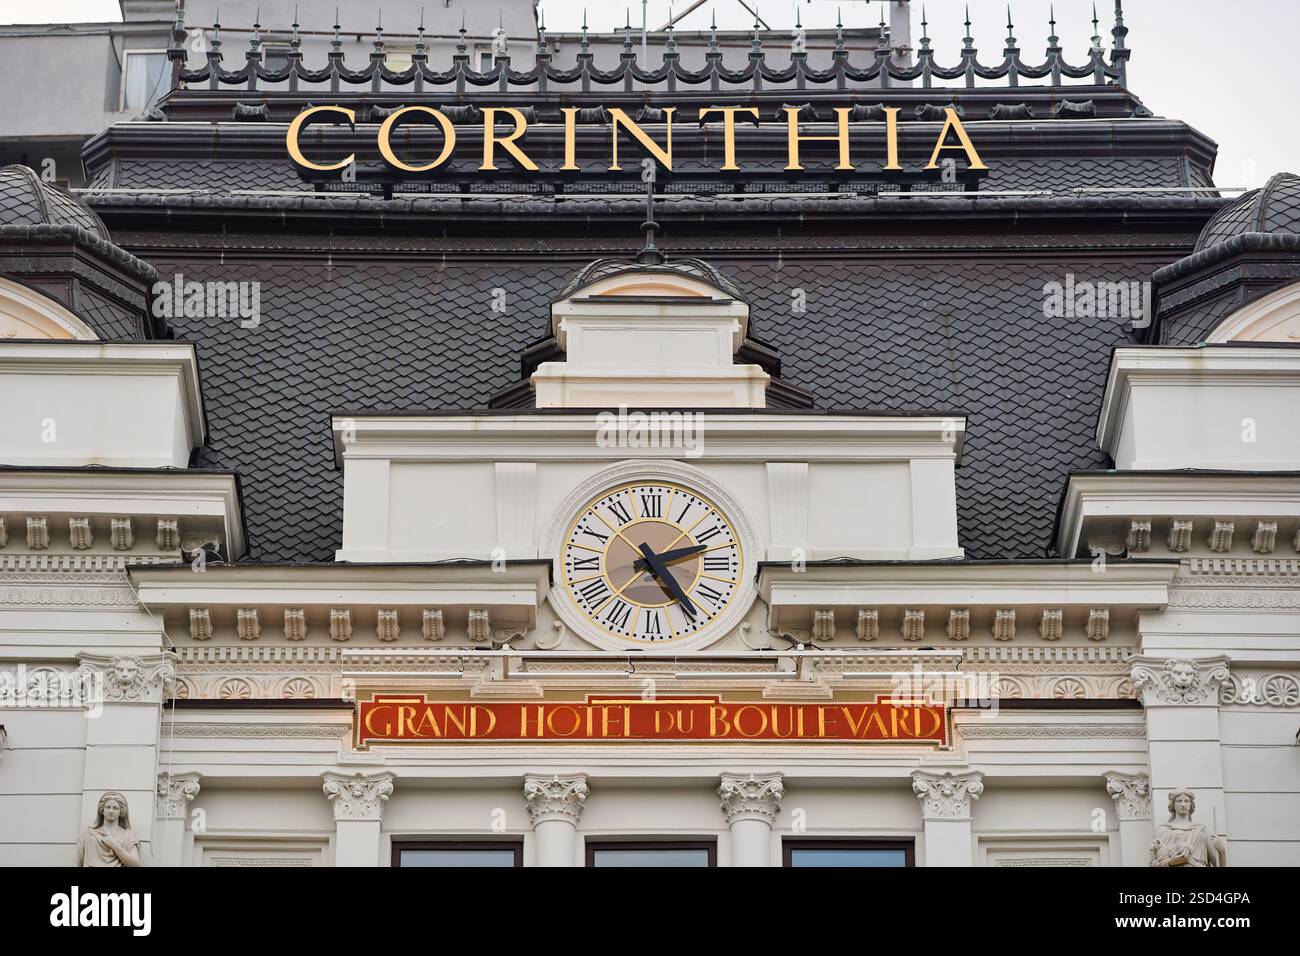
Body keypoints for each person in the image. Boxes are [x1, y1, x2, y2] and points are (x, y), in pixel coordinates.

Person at [1149, 789, 1227, 867]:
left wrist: (1221, 851)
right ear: (1173, 804)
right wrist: (1170, 862)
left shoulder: (1201, 830)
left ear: (1191, 804)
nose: (1183, 804)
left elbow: (1219, 865)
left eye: (1186, 801)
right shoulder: (1163, 830)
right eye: (1179, 801)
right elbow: (1152, 863)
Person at [78, 791, 142, 867]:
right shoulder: (88, 833)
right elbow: (78, 862)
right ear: (102, 810)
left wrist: (113, 844)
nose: (111, 811)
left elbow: (136, 864)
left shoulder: (129, 836)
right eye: (108, 807)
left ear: (121, 811)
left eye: (115, 808)